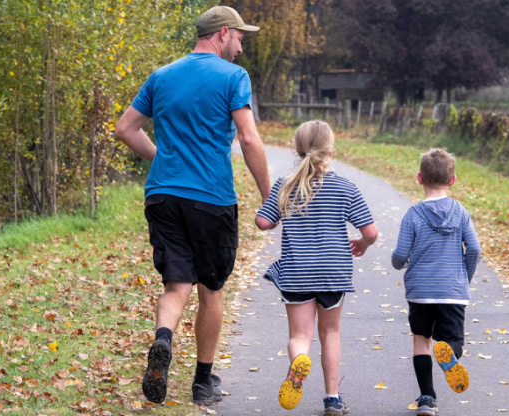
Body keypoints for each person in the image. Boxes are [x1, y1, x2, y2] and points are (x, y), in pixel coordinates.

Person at [113, 5, 271, 406]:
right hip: (211, 198)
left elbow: (125, 128)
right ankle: (203, 382)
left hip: (162, 195)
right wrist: (270, 194)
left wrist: (162, 159)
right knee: (211, 288)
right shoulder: (233, 77)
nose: (240, 46)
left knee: (176, 282)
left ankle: (163, 341)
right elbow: (249, 139)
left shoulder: (162, 76)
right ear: (221, 34)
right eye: (238, 37)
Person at [255, 120, 378, 416]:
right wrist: (362, 243)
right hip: (333, 273)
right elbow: (371, 232)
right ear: (331, 150)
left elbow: (262, 222)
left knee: (300, 336)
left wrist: (275, 213)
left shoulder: (285, 186)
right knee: (331, 333)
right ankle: (332, 398)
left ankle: (300, 359)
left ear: (297, 149)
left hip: (297, 273)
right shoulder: (345, 188)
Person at [391, 148, 481, 416]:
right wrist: (464, 277)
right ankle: (449, 353)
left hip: (421, 291)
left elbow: (400, 254)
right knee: (453, 341)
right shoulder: (461, 212)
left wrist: (399, 263)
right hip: (453, 290)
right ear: (452, 180)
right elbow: (474, 249)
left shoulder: (413, 214)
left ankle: (427, 399)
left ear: (420, 178)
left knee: (422, 340)